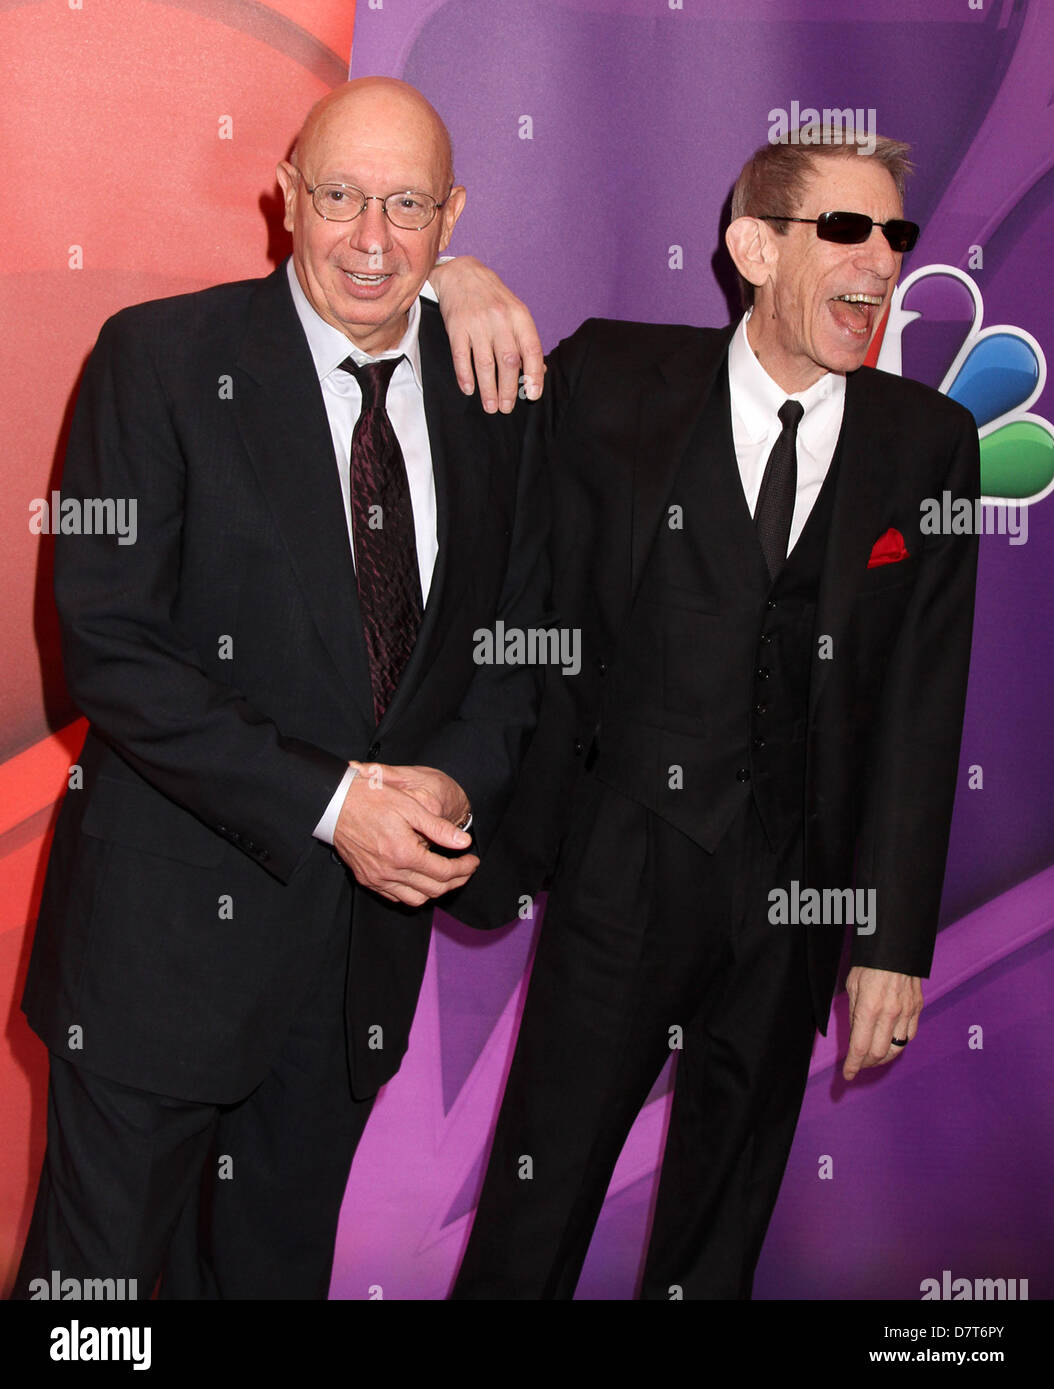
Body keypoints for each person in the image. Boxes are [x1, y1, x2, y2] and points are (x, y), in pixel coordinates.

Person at [15, 76, 549, 1300]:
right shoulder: (159, 357)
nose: (372, 238)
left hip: (349, 971)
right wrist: (334, 803)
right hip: (157, 964)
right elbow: (111, 644)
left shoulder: (497, 393)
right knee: (96, 1309)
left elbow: (522, 639)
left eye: (407, 204)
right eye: (342, 196)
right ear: (287, 197)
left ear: (453, 214)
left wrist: (448, 785)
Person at [443, 129, 980, 1298]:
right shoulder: (609, 379)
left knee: (717, 1236)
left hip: (796, 895)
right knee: (535, 1213)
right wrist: (450, 276)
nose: (882, 260)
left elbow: (920, 705)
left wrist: (890, 944)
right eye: (847, 229)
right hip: (620, 868)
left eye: (897, 235)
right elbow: (453, 458)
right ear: (752, 246)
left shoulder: (927, 444)